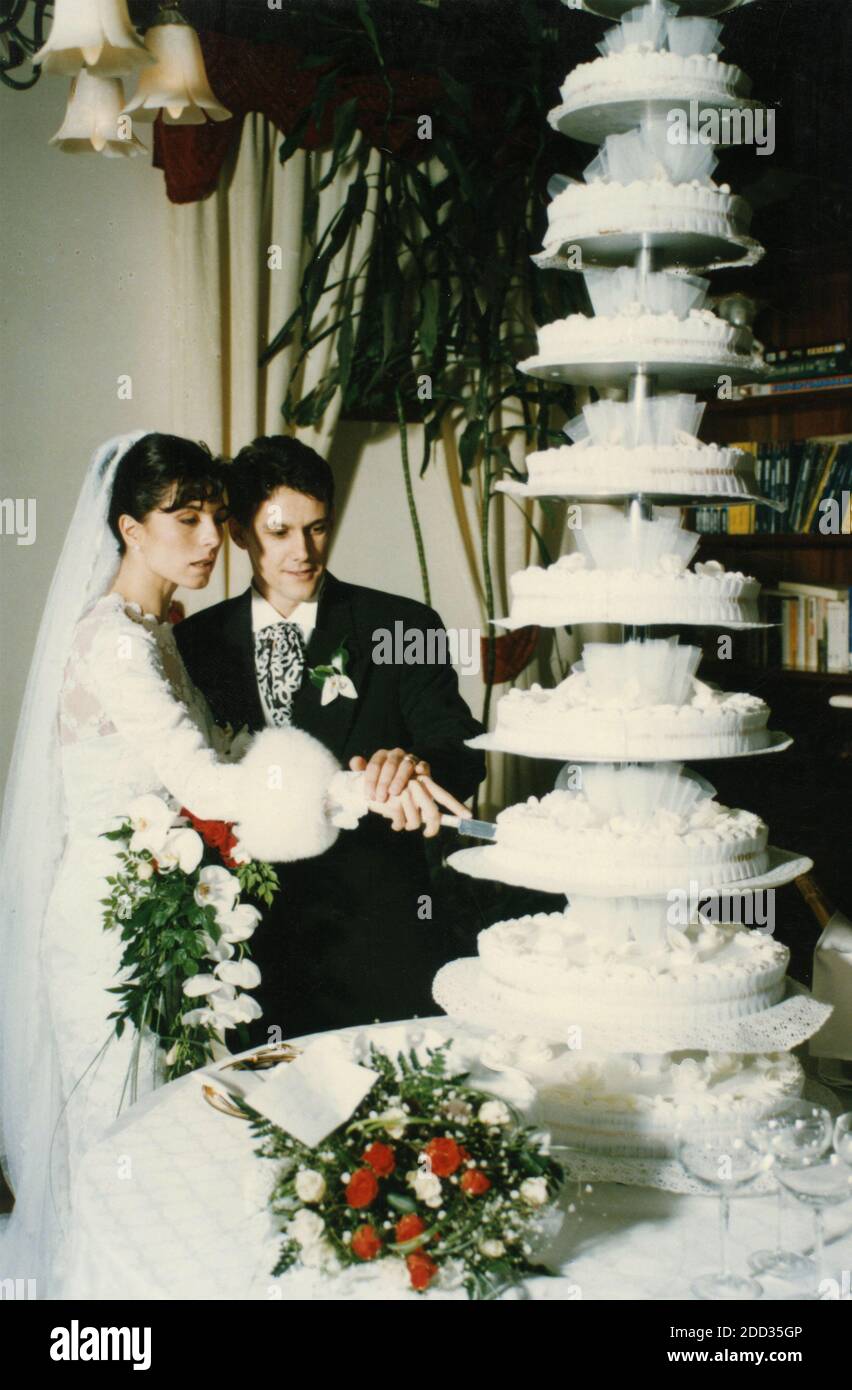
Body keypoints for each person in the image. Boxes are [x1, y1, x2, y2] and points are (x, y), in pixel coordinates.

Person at [0, 430, 467, 1298]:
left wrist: (394, 777)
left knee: (171, 1150)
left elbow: (244, 751)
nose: (212, 538)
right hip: (135, 934)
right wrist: (352, 792)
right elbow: (208, 784)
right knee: (126, 1143)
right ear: (129, 528)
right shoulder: (134, 639)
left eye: (215, 516)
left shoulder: (164, 633)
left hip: (291, 942)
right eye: (195, 520)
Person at [175, 435, 486, 1042]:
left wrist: (417, 765)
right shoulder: (195, 645)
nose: (303, 552)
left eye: (317, 529)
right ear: (239, 532)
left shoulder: (402, 624)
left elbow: (462, 747)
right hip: (245, 947)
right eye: (280, 532)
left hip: (378, 936)